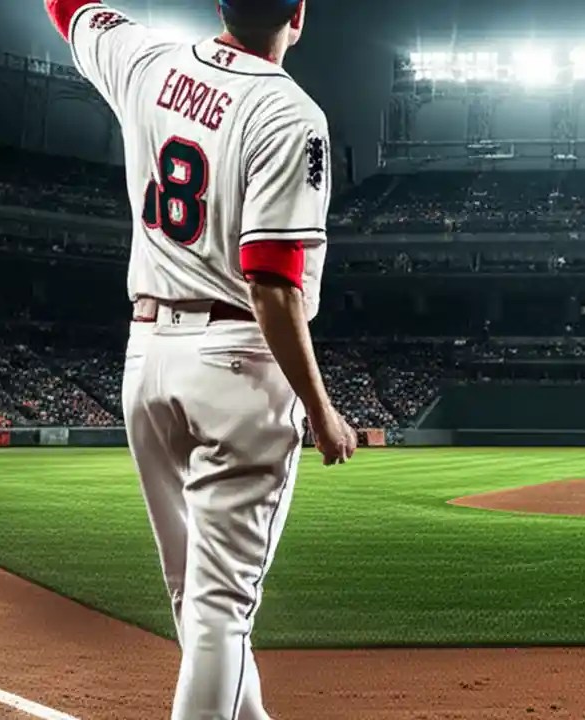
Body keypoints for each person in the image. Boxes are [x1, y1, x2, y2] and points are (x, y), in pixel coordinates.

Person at [44, 0, 357, 717]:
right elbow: (271, 281)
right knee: (221, 612)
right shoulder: (289, 111)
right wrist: (322, 409)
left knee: (197, 597)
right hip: (238, 362)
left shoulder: (148, 59)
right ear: (298, 15)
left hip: (147, 358)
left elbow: (69, 8)